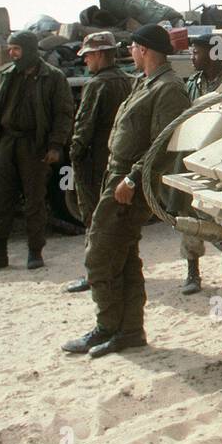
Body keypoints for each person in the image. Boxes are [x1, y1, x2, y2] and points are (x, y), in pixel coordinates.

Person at [62, 24, 191, 358]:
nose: (129, 53)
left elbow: (164, 143)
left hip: (130, 182)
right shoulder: (142, 83)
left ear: (143, 49)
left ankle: (107, 327)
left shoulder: (169, 88)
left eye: (132, 48)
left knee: (100, 255)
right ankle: (130, 331)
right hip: (117, 175)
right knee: (123, 257)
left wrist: (132, 179)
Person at [0, 30, 74, 275]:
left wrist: (55, 146)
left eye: (16, 49)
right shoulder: (4, 74)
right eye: (10, 49)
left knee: (34, 199)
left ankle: (35, 251)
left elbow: (63, 114)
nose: (12, 54)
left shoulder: (53, 77)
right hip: (6, 142)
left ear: (29, 50)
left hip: (35, 144)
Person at [63, 31, 133, 294]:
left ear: (102, 54)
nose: (86, 61)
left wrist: (74, 152)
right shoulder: (126, 81)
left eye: (89, 55)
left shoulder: (97, 85)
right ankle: (117, 269)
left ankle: (95, 274)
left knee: (93, 219)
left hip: (93, 162)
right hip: (116, 160)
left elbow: (84, 125)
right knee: (115, 218)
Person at [179, 33, 222, 295]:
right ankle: (192, 272)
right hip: (196, 157)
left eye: (196, 52)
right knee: (189, 215)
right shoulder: (192, 84)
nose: (192, 57)